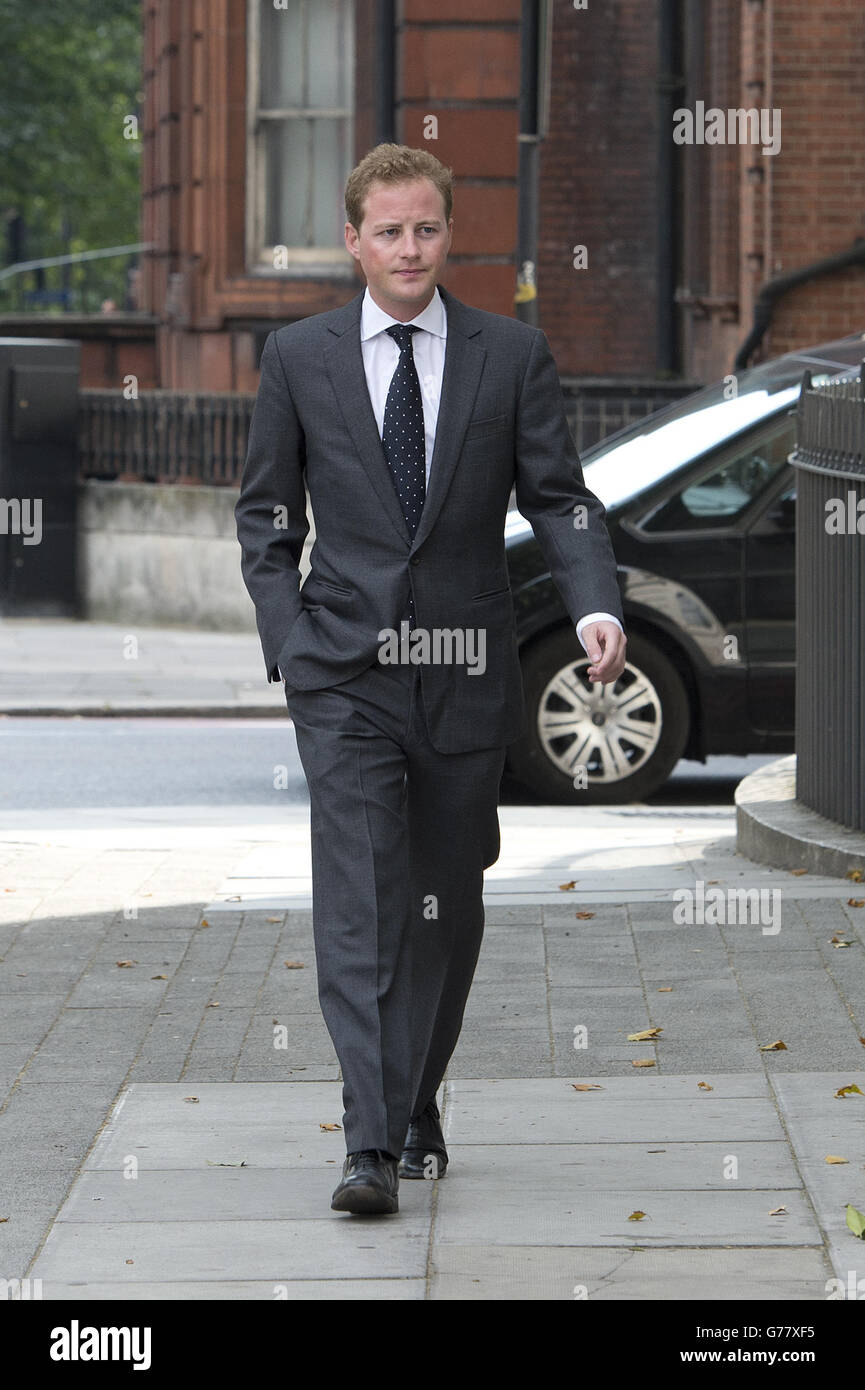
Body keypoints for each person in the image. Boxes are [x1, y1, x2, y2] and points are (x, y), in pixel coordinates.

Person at [235, 144, 626, 1216]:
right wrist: (290, 638)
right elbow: (267, 515)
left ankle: (415, 1095)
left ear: (449, 236)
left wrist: (593, 600)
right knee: (361, 897)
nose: (410, 249)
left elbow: (562, 499)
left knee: (443, 908)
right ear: (353, 239)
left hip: (462, 670)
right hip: (345, 674)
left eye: (428, 230)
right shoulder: (299, 357)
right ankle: (368, 1141)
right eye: (390, 231)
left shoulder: (511, 355)